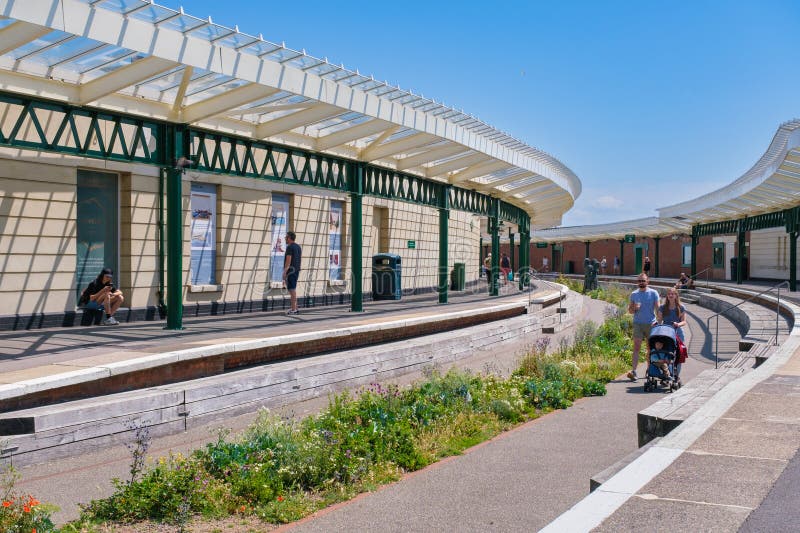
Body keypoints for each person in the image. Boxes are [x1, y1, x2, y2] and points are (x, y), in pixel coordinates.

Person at [627, 273, 660, 381]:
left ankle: (649, 369)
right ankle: (634, 371)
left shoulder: (653, 293)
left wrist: (660, 323)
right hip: (638, 324)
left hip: (651, 324)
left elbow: (658, 309)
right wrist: (634, 308)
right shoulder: (634, 294)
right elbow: (630, 311)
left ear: (647, 281)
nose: (641, 283)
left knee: (650, 348)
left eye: (643, 281)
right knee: (636, 347)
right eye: (639, 281)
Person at [659, 287, 687, 379]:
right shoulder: (662, 308)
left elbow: (684, 321)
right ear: (667, 296)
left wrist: (678, 324)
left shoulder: (681, 307)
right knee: (667, 353)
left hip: (677, 333)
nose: (671, 295)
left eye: (673, 294)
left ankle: (676, 375)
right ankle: (666, 374)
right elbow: (659, 321)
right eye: (669, 294)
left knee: (678, 355)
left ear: (676, 295)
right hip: (666, 333)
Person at [283, 231, 302, 315]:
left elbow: (288, 260)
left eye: (286, 237)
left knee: (292, 290)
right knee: (293, 289)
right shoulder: (298, 247)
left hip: (291, 271)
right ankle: (296, 308)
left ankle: (294, 309)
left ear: (289, 238)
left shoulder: (290, 247)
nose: (285, 239)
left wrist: (284, 272)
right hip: (296, 270)